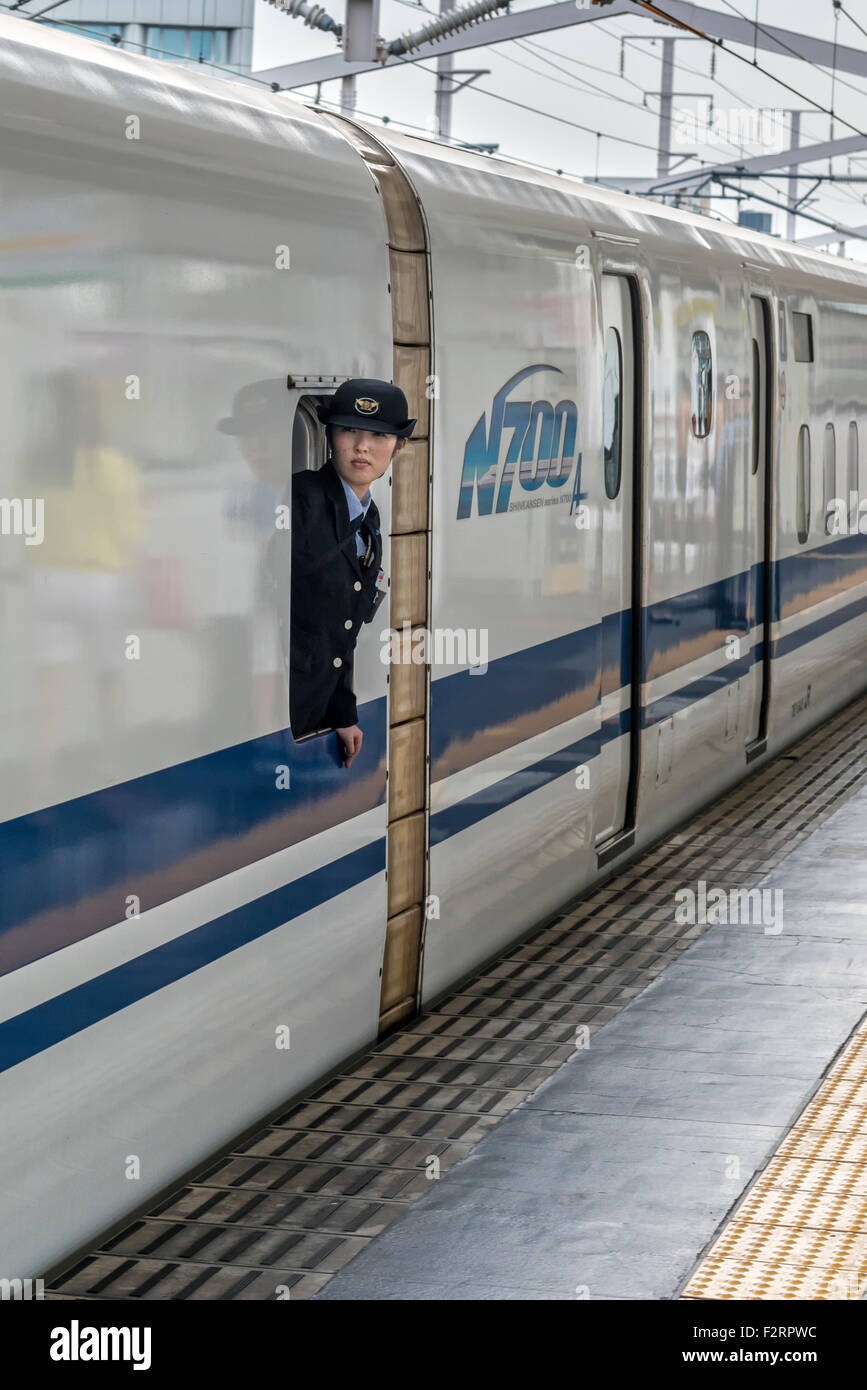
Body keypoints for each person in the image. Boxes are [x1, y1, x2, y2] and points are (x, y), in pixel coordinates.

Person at [290, 378, 415, 767]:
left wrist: (342, 711)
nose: (362, 446)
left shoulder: (370, 521)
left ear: (399, 446)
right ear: (328, 434)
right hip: (278, 711)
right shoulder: (300, 501)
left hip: (312, 711)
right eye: (349, 430)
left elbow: (343, 629)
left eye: (378, 435)